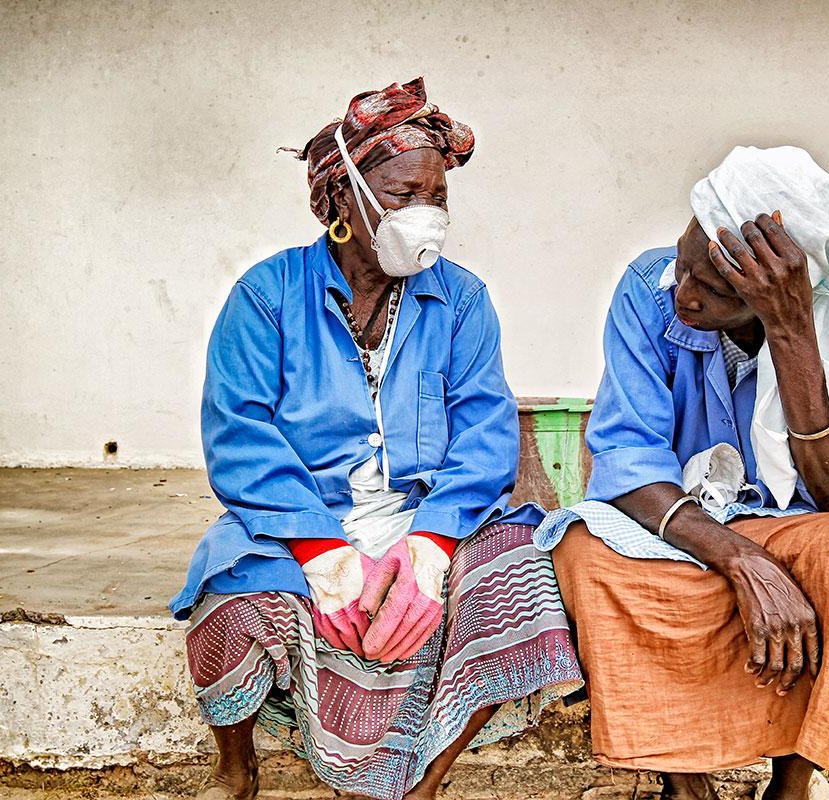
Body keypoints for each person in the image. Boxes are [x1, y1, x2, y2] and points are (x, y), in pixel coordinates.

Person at [170, 78, 582, 800]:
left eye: (438, 198)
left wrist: (429, 548)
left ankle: (425, 782)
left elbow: (485, 434)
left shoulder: (462, 301)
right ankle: (235, 769)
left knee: (524, 576)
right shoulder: (266, 296)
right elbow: (239, 436)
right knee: (230, 608)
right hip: (298, 523)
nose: (425, 215)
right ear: (340, 200)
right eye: (402, 195)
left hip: (421, 520)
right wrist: (323, 551)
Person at [535, 146, 829, 800]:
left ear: (777, 294)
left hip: (797, 521)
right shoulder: (648, 287)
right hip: (677, 523)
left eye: (714, 290)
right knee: (584, 554)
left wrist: (794, 333)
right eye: (686, 266)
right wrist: (743, 560)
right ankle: (684, 784)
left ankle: (794, 780)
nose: (683, 295)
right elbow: (628, 460)